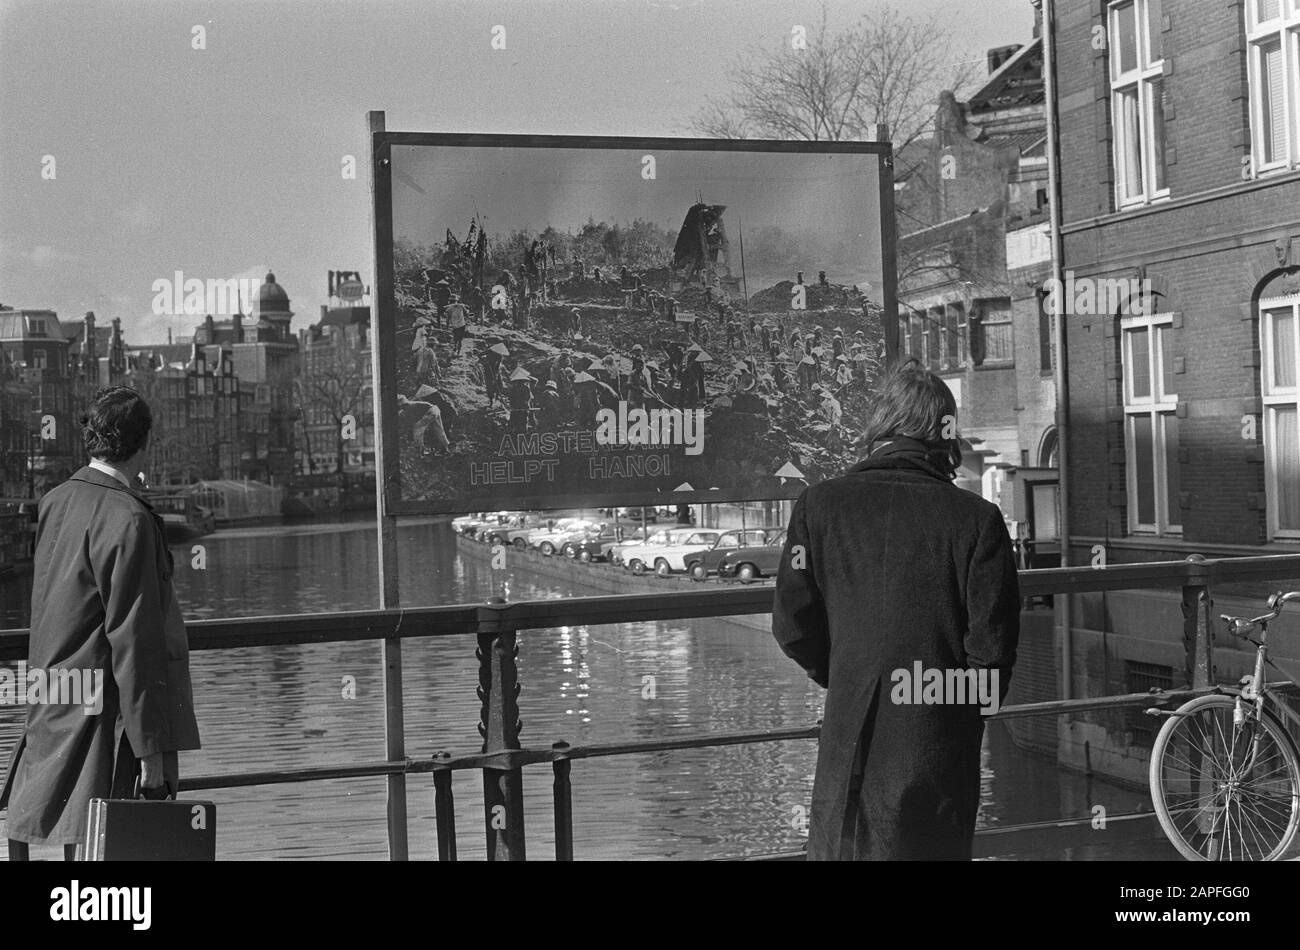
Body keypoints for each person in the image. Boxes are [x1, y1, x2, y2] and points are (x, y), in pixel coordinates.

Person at [771, 362, 1020, 861]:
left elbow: (792, 627)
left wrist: (846, 672)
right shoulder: (978, 520)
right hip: (936, 747)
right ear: (943, 434)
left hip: (849, 743)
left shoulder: (818, 507)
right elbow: (991, 655)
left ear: (880, 426)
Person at [1, 387, 201, 860]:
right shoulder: (129, 517)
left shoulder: (55, 501)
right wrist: (152, 747)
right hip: (109, 712)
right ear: (144, 441)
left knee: (74, 835)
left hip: (55, 696)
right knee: (111, 844)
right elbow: (135, 638)